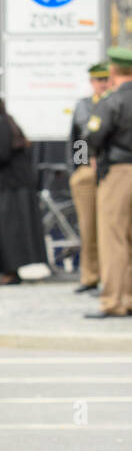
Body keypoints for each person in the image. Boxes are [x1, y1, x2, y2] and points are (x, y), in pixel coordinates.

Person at [0, 89, 47, 287]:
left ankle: (10, 271)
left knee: (8, 229)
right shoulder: (5, 122)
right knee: (10, 228)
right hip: (12, 183)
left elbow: (1, 155)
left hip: (9, 184)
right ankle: (8, 270)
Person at [86, 48, 132, 318]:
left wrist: (82, 162)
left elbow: (88, 137)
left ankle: (113, 300)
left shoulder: (109, 101)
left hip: (117, 173)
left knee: (112, 238)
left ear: (113, 72)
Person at [70, 63, 107, 296]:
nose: (102, 84)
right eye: (98, 80)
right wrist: (82, 164)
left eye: (105, 79)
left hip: (110, 169)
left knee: (110, 227)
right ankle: (90, 275)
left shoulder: (113, 103)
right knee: (87, 226)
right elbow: (77, 138)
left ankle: (110, 276)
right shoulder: (83, 106)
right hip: (87, 171)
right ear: (92, 82)